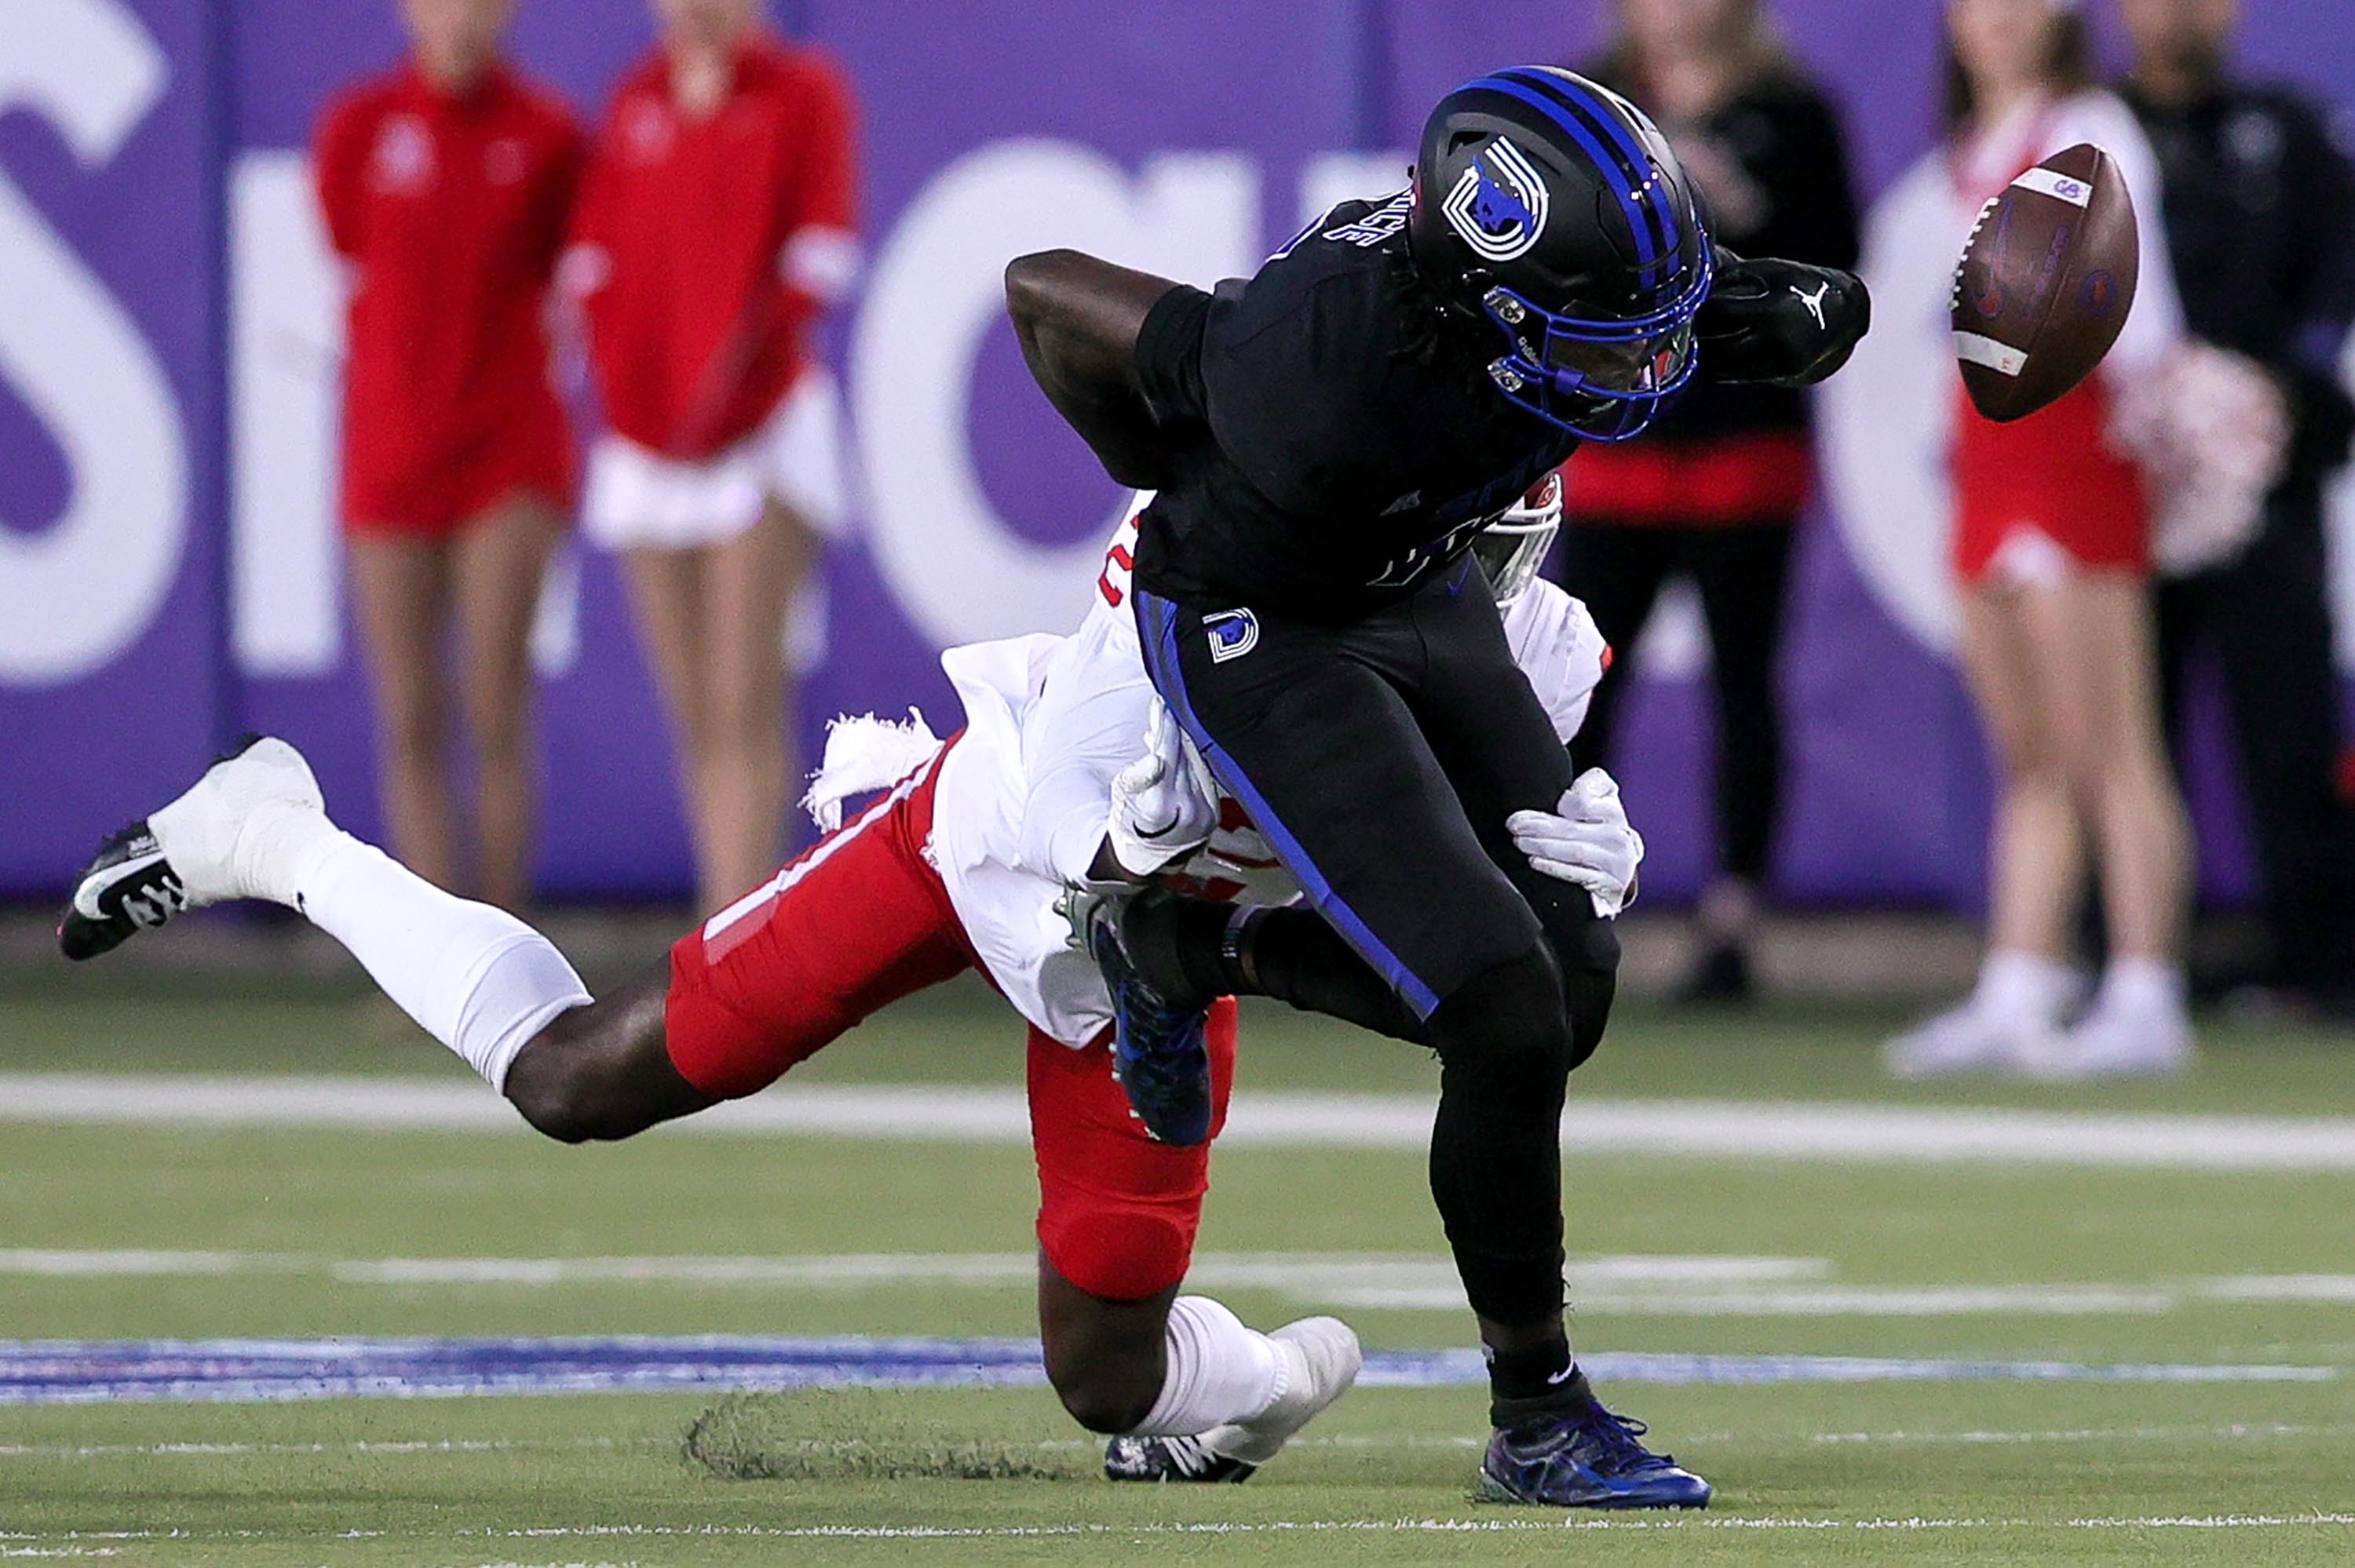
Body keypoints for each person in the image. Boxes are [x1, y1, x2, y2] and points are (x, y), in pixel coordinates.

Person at [57, 495, 1638, 1486]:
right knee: (577, 1081)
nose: (1456, 588)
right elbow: (1100, 862)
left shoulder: (1546, 653)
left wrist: (1554, 872)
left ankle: (1276, 1372)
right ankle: (274, 832)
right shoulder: (1214, 557)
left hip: (1162, 952)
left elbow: (1451, 957)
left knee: (1108, 1382)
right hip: (1004, 850)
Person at [1006, 65, 1866, 1505]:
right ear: (1483, 304)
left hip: (1413, 571)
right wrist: (1160, 464)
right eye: (1610, 341)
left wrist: (1822, 315)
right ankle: (1538, 1413)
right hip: (1258, 618)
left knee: (1572, 980)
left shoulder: (1551, 281)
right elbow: (1042, 287)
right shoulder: (1311, 369)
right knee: (1499, 1002)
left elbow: (1760, 312)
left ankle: (1184, 947)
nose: (1646, 370)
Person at [1879, 0, 2196, 1081]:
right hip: (1989, 465)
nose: (2001, 20)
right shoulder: (1970, 147)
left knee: (2112, 746)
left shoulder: (2093, 128)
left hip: (2072, 460)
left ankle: (2148, 990)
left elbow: (2140, 323)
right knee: (2030, 755)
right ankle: (2021, 983)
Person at [1556, 0, 1860, 1003]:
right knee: (1579, 681)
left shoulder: (1791, 110)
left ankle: (1735, 912)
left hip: (1742, 443)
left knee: (1744, 679)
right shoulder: (1594, 101)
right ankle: (1559, 899)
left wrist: (1743, 217)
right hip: (1615, 435)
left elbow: (1838, 272)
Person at [566, 0, 859, 913]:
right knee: (694, 709)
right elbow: (596, 263)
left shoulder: (803, 91)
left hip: (760, 433)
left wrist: (728, 391)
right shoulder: (636, 98)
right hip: (647, 446)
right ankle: (722, 922)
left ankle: (740, 930)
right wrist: (637, 394)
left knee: (744, 699)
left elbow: (820, 254)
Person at [313, 0, 582, 912]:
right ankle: (434, 953)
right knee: (411, 717)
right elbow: (347, 245)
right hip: (390, 454)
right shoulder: (359, 129)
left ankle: (505, 942)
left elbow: (568, 274)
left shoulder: (546, 135)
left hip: (506, 452)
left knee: (494, 703)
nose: (460, 19)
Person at [2119, 0, 2355, 1013]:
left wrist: (2277, 392)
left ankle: (2313, 954)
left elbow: (2337, 270)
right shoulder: (2095, 130)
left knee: (2287, 718)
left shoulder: (2284, 127)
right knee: (2127, 721)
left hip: (2267, 473)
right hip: (2131, 477)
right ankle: (2132, 951)